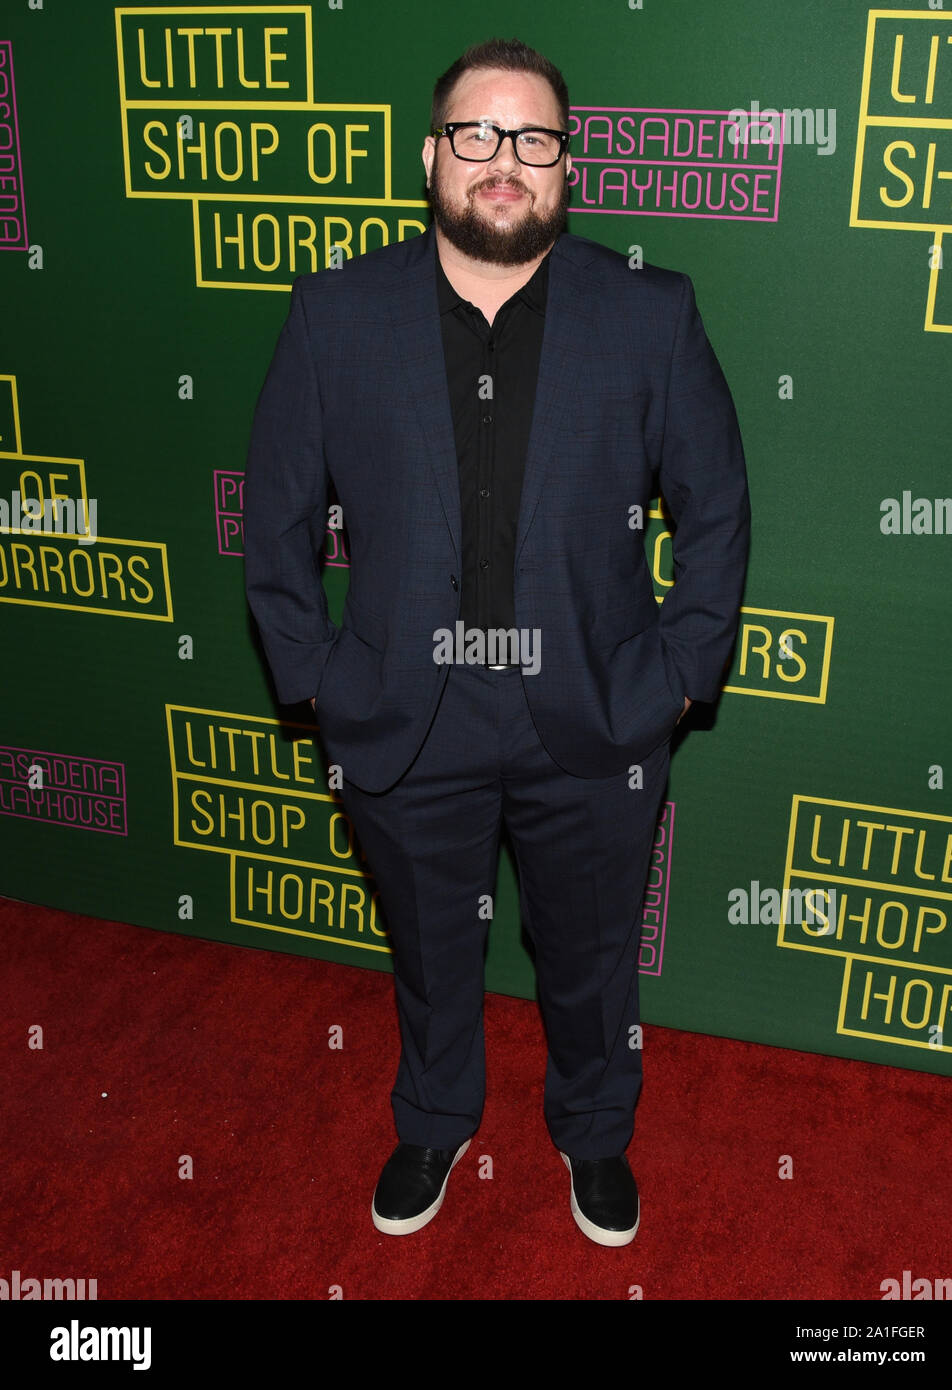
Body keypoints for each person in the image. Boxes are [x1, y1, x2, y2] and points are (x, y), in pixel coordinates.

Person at [244, 37, 749, 1247]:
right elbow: (275, 521)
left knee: (588, 956)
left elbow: (719, 509)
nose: (503, 161)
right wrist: (316, 681)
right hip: (406, 716)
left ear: (566, 166)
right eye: (477, 134)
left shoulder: (650, 315)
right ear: (432, 156)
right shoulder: (335, 311)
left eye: (532, 140)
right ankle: (433, 1115)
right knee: (428, 947)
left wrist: (679, 676)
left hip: (593, 708)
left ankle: (595, 1132)